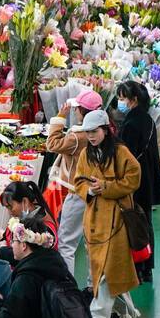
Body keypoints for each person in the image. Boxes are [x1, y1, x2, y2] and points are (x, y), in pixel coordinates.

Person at [72, 110, 142, 318]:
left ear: (105, 129)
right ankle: (128, 311)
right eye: (88, 133)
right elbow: (78, 181)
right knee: (108, 269)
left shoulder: (121, 152)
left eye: (94, 132)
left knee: (106, 268)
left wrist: (108, 187)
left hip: (117, 218)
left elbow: (134, 178)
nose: (91, 136)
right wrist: (90, 191)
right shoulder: (85, 154)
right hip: (94, 220)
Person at [46, 89, 103, 278]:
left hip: (78, 193)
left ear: (81, 111)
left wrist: (59, 118)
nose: (74, 111)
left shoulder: (78, 137)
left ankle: (67, 286)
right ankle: (91, 285)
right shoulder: (102, 133)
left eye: (76, 108)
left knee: (66, 243)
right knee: (91, 242)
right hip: (96, 192)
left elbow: (52, 144)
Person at [115, 81, 160, 284]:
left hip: (134, 182)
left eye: (122, 98)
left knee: (135, 222)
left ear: (133, 100)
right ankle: (148, 266)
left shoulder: (131, 124)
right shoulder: (148, 120)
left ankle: (138, 264)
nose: (120, 102)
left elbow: (126, 156)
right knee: (146, 222)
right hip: (148, 179)